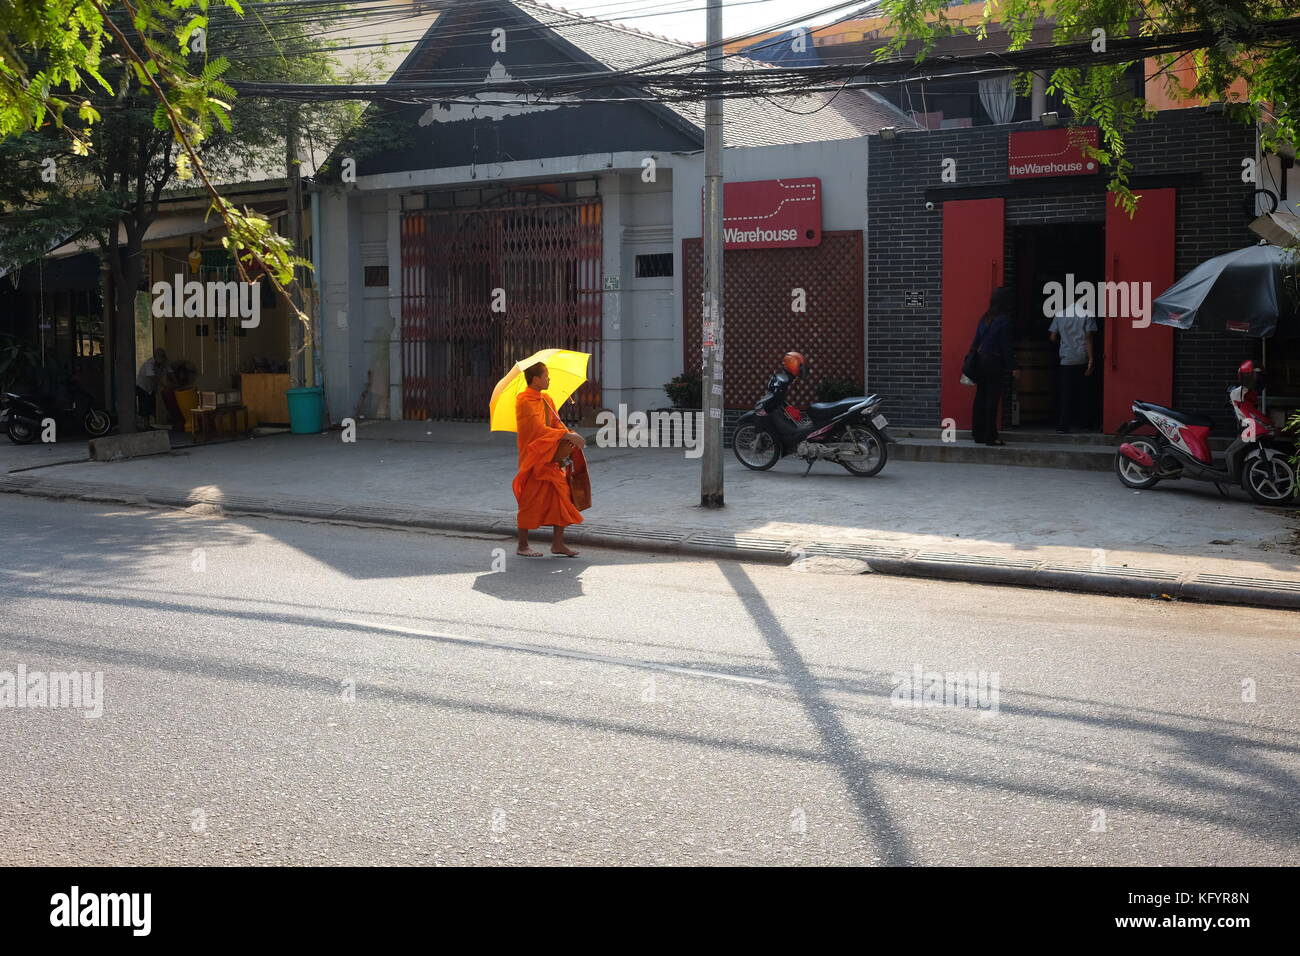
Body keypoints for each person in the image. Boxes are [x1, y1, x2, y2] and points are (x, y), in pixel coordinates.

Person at [513, 362, 586, 558]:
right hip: (534, 457)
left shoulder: (546, 399)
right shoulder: (523, 401)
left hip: (551, 457)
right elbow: (536, 430)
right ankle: (522, 545)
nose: (549, 379)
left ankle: (558, 545)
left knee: (561, 499)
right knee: (529, 502)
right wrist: (566, 436)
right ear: (535, 379)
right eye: (546, 376)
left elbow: (555, 423)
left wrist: (569, 433)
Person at [969, 287, 1018, 446]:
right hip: (994, 363)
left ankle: (978, 434)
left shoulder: (985, 318)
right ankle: (991, 436)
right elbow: (1006, 346)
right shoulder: (1003, 320)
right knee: (992, 400)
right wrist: (1013, 367)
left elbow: (976, 342)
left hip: (981, 361)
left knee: (980, 398)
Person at [1048, 304, 1096, 433]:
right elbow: (1088, 337)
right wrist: (1091, 359)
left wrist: (1064, 343)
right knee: (1084, 392)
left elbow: (1052, 337)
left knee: (1066, 393)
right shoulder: (1088, 314)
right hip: (1082, 357)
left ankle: (1063, 425)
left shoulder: (1059, 314)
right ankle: (1085, 423)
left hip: (1066, 358)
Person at [135, 348, 167, 425]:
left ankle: (150, 424)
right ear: (155, 358)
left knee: (152, 405)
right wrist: (163, 386)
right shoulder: (149, 364)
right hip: (142, 387)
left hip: (150, 387)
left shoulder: (161, 364)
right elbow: (152, 377)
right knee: (145, 406)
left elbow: (161, 374)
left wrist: (156, 388)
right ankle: (145, 424)